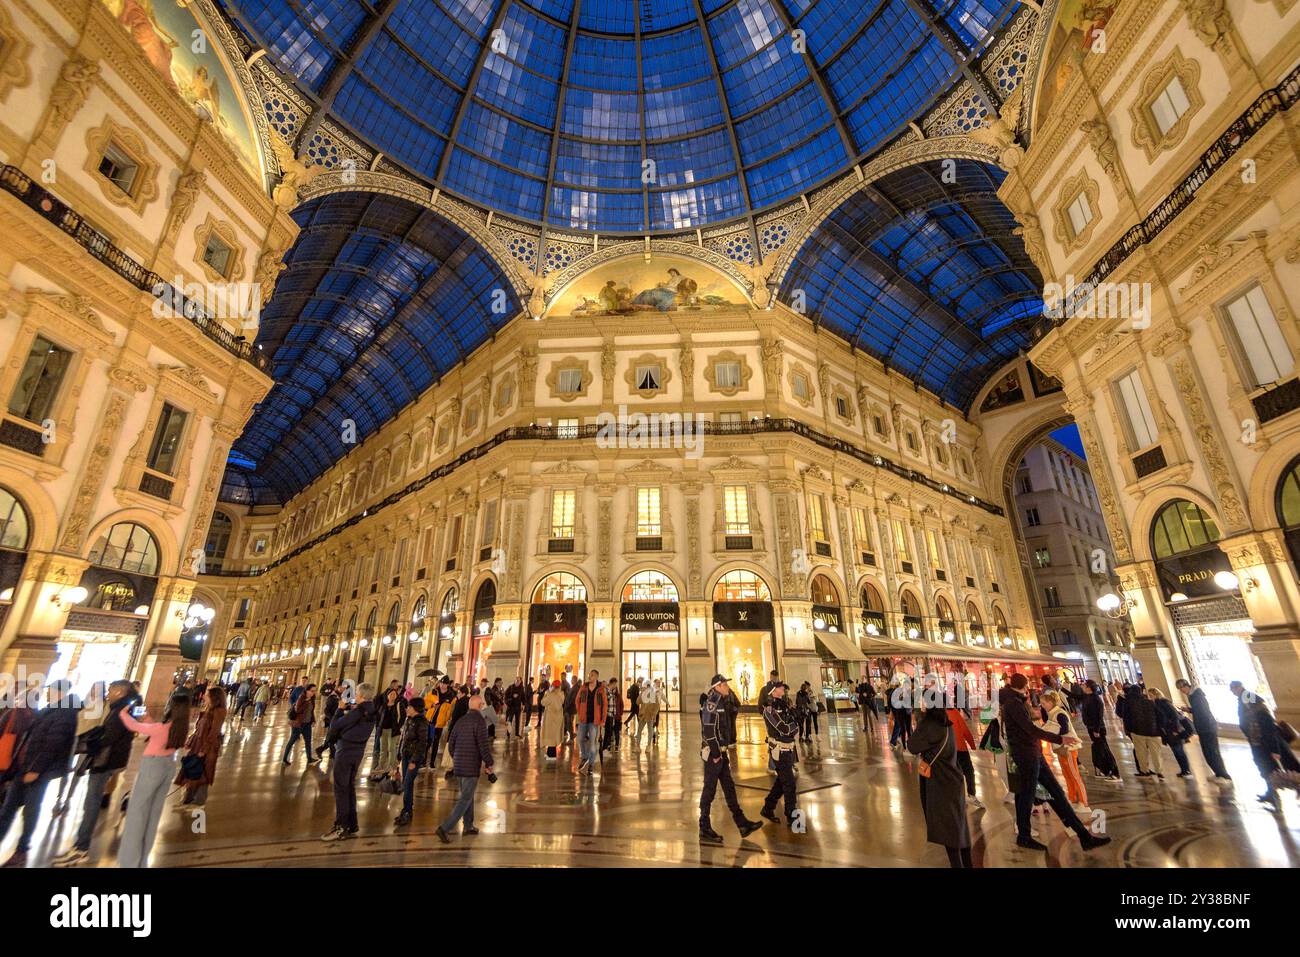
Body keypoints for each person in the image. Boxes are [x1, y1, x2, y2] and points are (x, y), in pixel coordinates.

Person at [1001, 674, 1110, 852]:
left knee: (1054, 794)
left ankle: (1084, 836)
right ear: (1025, 685)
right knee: (1026, 796)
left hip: (1033, 753)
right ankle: (1024, 836)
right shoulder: (1014, 704)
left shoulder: (1016, 702)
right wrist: (1059, 738)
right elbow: (1028, 729)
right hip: (1027, 755)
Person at [51, 680, 140, 867]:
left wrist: (92, 742)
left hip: (104, 761)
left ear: (120, 691)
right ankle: (80, 845)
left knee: (91, 804)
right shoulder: (119, 708)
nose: (108, 692)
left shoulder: (119, 711)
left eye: (111, 689)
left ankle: (81, 848)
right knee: (90, 802)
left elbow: (110, 737)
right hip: (107, 760)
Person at [0, 680, 79, 868]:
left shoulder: (65, 713)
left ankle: (22, 851)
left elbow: (52, 744)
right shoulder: (51, 710)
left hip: (38, 771)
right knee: (8, 810)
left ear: (59, 692)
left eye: (50, 690)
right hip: (26, 766)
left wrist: (35, 769)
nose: (47, 693)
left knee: (29, 811)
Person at [114, 694, 190, 868]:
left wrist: (123, 713)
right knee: (153, 814)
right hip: (168, 766)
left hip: (152, 767)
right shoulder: (180, 728)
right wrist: (147, 718)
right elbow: (156, 730)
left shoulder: (162, 728)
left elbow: (133, 725)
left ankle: (129, 862)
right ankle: (142, 861)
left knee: (136, 814)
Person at [908, 697, 972, 868]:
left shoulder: (929, 725)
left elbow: (912, 746)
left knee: (949, 834)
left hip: (940, 782)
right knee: (960, 830)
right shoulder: (946, 721)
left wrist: (919, 720)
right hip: (954, 779)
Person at [698, 674, 763, 844]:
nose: (727, 687)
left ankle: (742, 824)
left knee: (729, 788)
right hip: (714, 756)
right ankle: (704, 826)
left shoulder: (723, 702)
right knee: (709, 790)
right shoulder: (712, 704)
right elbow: (709, 732)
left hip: (721, 754)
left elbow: (731, 716)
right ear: (717, 686)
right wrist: (716, 755)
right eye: (725, 684)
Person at [436, 693, 495, 843]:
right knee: (465, 798)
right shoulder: (480, 721)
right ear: (479, 706)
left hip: (459, 765)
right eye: (481, 704)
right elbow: (483, 745)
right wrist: (489, 762)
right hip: (471, 766)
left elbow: (452, 742)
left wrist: (456, 757)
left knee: (467, 795)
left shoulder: (461, 720)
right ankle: (444, 828)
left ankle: (468, 825)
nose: (483, 706)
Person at [322, 682, 377, 841]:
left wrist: (339, 709)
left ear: (361, 695)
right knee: (349, 787)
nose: (355, 696)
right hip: (358, 751)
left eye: (357, 693)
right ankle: (352, 824)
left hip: (346, 751)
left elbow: (335, 726)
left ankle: (341, 826)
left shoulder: (359, 711)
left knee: (341, 788)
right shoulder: (371, 710)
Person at [1232, 681, 1298, 812]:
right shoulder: (1244, 700)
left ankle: (1275, 796)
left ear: (1239, 687)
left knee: (1288, 770)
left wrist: (1274, 749)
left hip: (1268, 742)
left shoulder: (1250, 699)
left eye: (1234, 689)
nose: (1233, 692)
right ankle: (1271, 794)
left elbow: (1267, 725)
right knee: (1265, 768)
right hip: (1258, 742)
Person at [176, 686, 226, 807]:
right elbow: (200, 729)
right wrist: (190, 741)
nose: (204, 696)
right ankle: (188, 799)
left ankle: (199, 802)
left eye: (207, 695)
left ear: (214, 698)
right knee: (192, 771)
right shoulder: (208, 709)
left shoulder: (219, 711)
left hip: (206, 747)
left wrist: (205, 750)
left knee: (202, 773)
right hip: (197, 745)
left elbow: (214, 732)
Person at [1039, 690, 1088, 811]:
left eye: (1044, 703)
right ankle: (1073, 798)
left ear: (1051, 702)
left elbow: (1064, 729)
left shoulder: (1059, 713)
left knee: (1074, 774)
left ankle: (1083, 801)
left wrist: (1052, 733)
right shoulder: (1052, 714)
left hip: (1068, 748)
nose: (1042, 706)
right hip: (1061, 748)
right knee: (1067, 774)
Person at [760, 682, 799, 828]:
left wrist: (795, 720)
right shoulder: (769, 710)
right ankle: (793, 818)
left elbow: (790, 726)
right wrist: (795, 724)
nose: (784, 689)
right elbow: (784, 729)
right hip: (779, 750)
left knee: (781, 783)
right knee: (789, 783)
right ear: (773, 691)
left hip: (788, 748)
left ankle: (768, 808)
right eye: (781, 688)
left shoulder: (783, 705)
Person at [1176, 678, 1230, 780]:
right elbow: (1199, 710)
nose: (1181, 691)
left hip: (1207, 727)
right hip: (1203, 727)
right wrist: (1189, 710)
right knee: (1208, 752)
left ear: (1185, 686)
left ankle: (1223, 775)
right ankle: (1218, 773)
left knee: (1212, 752)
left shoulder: (1197, 696)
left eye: (1181, 688)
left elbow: (1203, 712)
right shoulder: (1193, 696)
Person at [393, 696, 429, 827]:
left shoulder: (422, 722)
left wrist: (414, 760)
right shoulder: (408, 720)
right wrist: (399, 754)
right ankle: (407, 809)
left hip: (414, 758)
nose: (407, 709)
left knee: (407, 783)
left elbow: (422, 743)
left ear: (415, 709)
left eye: (409, 707)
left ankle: (407, 811)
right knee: (406, 783)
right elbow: (403, 738)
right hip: (406, 755)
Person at [1081, 679, 1121, 780]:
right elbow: (1073, 696)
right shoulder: (1087, 697)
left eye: (1084, 685)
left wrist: (1097, 730)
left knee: (1104, 749)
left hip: (1097, 728)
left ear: (1089, 688)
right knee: (1099, 749)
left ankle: (1115, 772)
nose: (1082, 686)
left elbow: (1099, 716)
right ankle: (1105, 770)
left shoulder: (1096, 699)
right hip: (1091, 727)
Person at [945, 697, 981, 808]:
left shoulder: (939, 715)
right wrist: (972, 745)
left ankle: (958, 797)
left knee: (955, 774)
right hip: (960, 748)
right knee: (969, 772)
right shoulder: (954, 712)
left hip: (948, 750)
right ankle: (971, 795)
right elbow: (964, 729)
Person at [1149, 688, 1192, 777]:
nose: (1149, 697)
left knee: (1179, 751)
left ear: (1156, 694)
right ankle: (1184, 770)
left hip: (1172, 731)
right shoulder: (1157, 704)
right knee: (1176, 751)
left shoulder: (1163, 703)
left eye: (1150, 695)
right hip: (1168, 731)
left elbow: (1174, 717)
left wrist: (1175, 730)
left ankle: (1186, 770)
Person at [1124, 682, 1164, 778]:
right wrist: (1159, 727)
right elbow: (1160, 716)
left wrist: (1129, 729)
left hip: (1137, 731)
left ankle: (1144, 770)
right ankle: (1159, 771)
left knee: (1141, 752)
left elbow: (1126, 717)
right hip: (1153, 731)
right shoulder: (1150, 702)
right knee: (1156, 753)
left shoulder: (1128, 703)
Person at [574, 670, 607, 775]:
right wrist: (580, 713)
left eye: (592, 675)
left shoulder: (601, 690)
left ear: (597, 676)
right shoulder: (584, 687)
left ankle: (591, 765)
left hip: (594, 721)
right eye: (589, 675)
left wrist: (603, 720)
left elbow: (604, 706)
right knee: (580, 739)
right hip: (583, 719)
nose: (590, 677)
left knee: (593, 744)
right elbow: (577, 700)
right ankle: (584, 757)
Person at [282, 683, 318, 766]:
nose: (313, 693)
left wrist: (313, 720)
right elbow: (297, 709)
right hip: (298, 724)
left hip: (307, 724)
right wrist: (306, 701)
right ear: (307, 690)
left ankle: (309, 758)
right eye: (312, 691)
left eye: (314, 691)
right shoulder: (301, 698)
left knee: (308, 742)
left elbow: (311, 711)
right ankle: (284, 759)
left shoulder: (312, 699)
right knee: (291, 741)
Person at [540, 680, 566, 760]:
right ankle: (550, 754)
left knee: (550, 736)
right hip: (558, 718)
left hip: (550, 718)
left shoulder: (550, 695)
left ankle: (552, 755)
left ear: (553, 686)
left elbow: (543, 702)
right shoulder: (561, 694)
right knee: (555, 735)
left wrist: (547, 692)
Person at [602, 677, 622, 755]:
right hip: (607, 714)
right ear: (613, 683)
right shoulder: (606, 691)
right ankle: (604, 749)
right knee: (608, 732)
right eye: (615, 684)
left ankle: (605, 748)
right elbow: (605, 701)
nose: (615, 686)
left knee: (609, 732)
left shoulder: (611, 691)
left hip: (611, 714)